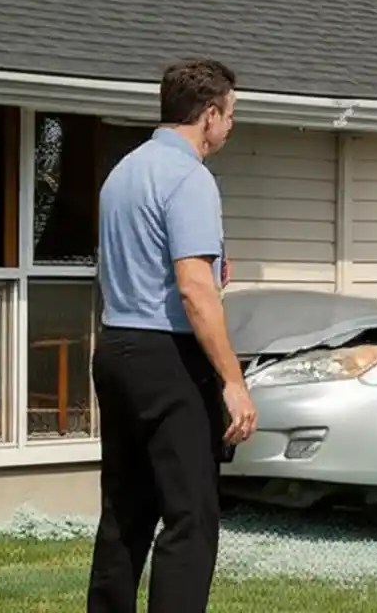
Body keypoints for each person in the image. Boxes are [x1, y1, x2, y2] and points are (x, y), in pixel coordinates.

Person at [87, 58, 259, 613]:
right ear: (208, 114)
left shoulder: (123, 172)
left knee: (125, 511)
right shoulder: (189, 178)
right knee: (190, 515)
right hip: (168, 358)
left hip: (115, 347)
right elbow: (194, 289)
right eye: (229, 114)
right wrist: (233, 381)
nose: (231, 126)